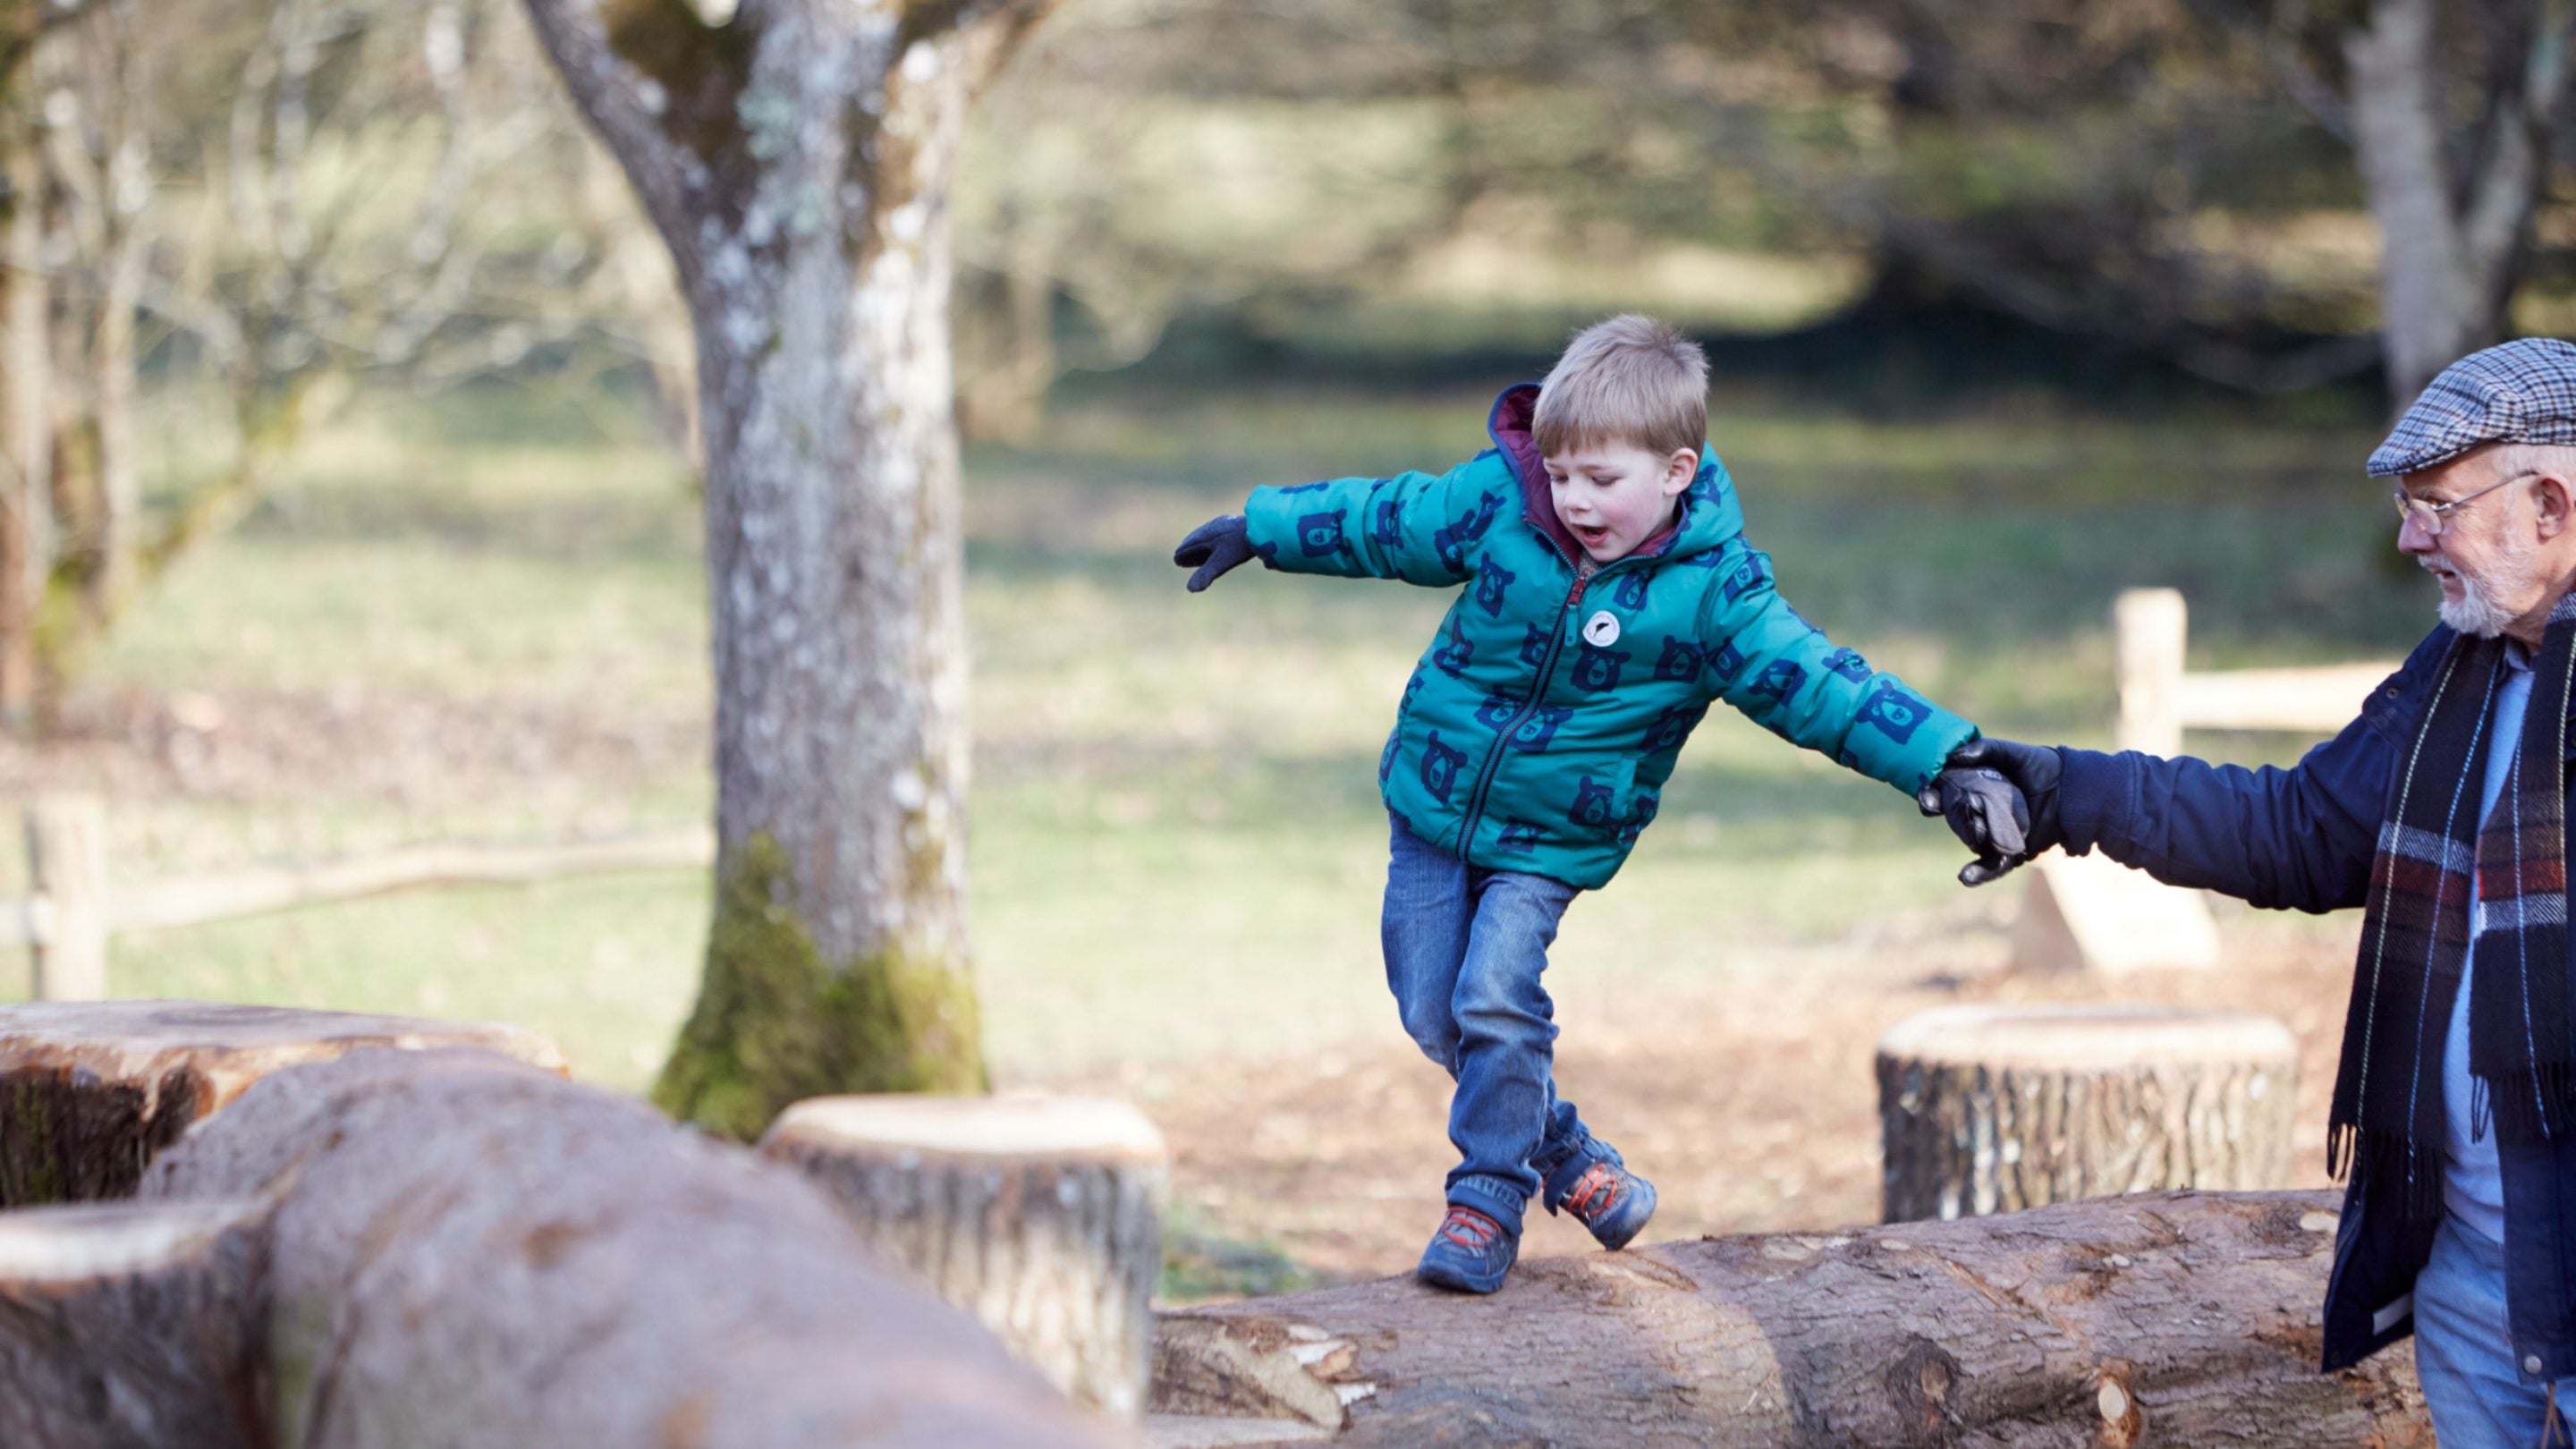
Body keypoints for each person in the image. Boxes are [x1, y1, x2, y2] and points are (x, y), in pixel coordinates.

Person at [1172, 314, 1996, 1293]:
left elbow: (1819, 683)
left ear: (1678, 470)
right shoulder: (1507, 503)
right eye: (1562, 476)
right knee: (1436, 1014)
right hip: (1433, 803)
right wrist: (1262, 528)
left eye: (1602, 481)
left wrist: (1945, 759)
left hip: (1552, 841)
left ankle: (1485, 1203)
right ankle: (1574, 1159)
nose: (1574, 500)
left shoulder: (1715, 595)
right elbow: (1391, 518)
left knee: (1493, 997)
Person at [1927, 336, 2576, 1447]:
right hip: (2478, 1275)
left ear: (2551, 504)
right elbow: (2305, 831)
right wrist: (2068, 791)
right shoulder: (2466, 665)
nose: (2412, 537)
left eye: (2436, 506)